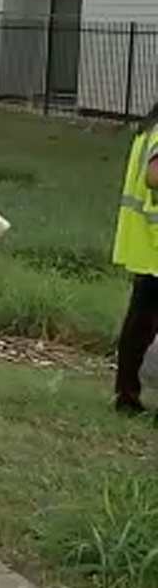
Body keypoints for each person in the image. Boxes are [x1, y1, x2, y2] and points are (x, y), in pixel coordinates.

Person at [114, 101, 158, 417]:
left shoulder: (148, 131)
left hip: (146, 244)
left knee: (139, 326)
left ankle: (126, 395)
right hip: (155, 244)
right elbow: (154, 177)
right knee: (141, 326)